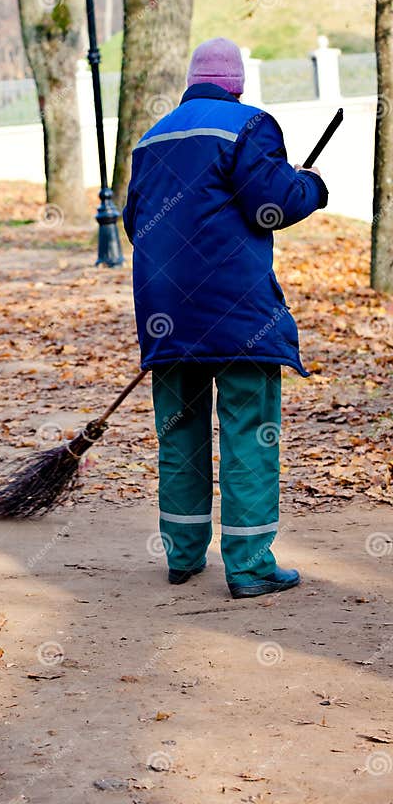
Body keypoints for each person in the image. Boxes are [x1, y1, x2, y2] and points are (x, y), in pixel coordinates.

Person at [122, 37, 328, 599]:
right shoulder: (248, 125)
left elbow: (132, 219)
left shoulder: (151, 138)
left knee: (179, 430)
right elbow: (275, 204)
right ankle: (250, 564)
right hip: (240, 318)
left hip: (168, 315)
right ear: (237, 84)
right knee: (248, 431)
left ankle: (183, 555)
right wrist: (311, 186)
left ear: (192, 82)